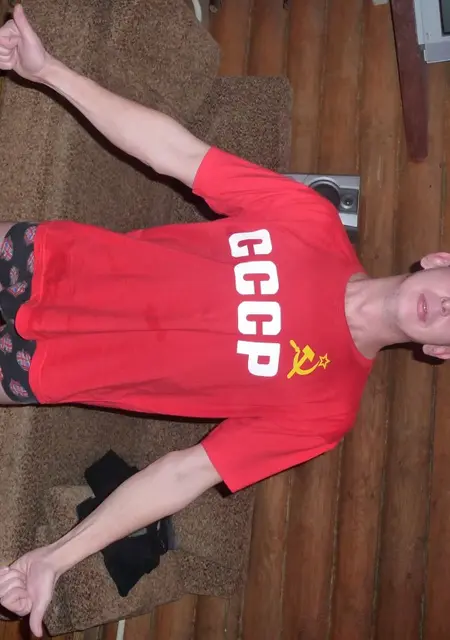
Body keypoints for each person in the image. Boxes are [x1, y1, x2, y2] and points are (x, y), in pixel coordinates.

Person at [0, 4, 448, 636]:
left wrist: (56, 557)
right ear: (440, 260)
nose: (447, 309)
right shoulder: (312, 221)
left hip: (43, 368)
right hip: (44, 260)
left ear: (441, 351)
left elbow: (184, 473)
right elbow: (175, 152)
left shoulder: (327, 412)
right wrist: (48, 71)